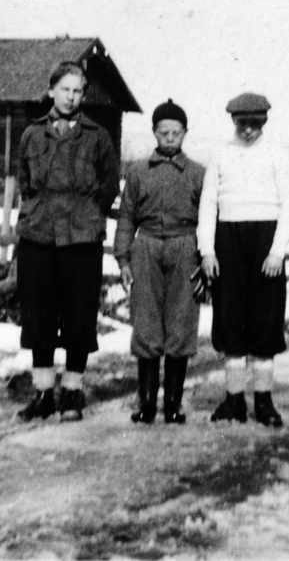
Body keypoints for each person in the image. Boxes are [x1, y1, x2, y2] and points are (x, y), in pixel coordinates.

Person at [14, 61, 121, 422]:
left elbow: (108, 186)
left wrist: (88, 215)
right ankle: (43, 394)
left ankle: (73, 392)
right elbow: (25, 183)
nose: (71, 98)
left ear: (83, 95)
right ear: (51, 91)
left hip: (80, 241)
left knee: (78, 318)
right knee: (39, 317)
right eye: (65, 90)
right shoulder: (31, 134)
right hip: (39, 237)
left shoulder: (98, 136)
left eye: (78, 91)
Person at [198, 92, 289, 426]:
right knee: (230, 318)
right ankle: (234, 400)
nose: (249, 131)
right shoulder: (222, 154)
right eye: (243, 124)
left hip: (265, 241)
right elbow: (209, 203)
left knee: (265, 322)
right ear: (233, 122)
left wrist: (277, 251)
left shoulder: (277, 155)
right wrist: (208, 250)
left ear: (264, 122)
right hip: (228, 241)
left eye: (255, 124)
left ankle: (264, 403)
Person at [114, 99, 206, 425]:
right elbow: (126, 217)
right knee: (147, 324)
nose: (169, 138)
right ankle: (148, 403)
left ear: (185, 133)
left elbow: (208, 219)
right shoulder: (138, 171)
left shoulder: (198, 173)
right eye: (163, 132)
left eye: (176, 132)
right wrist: (123, 258)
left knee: (181, 323)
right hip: (147, 246)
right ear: (154, 132)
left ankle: (173, 405)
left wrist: (206, 259)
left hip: (186, 248)